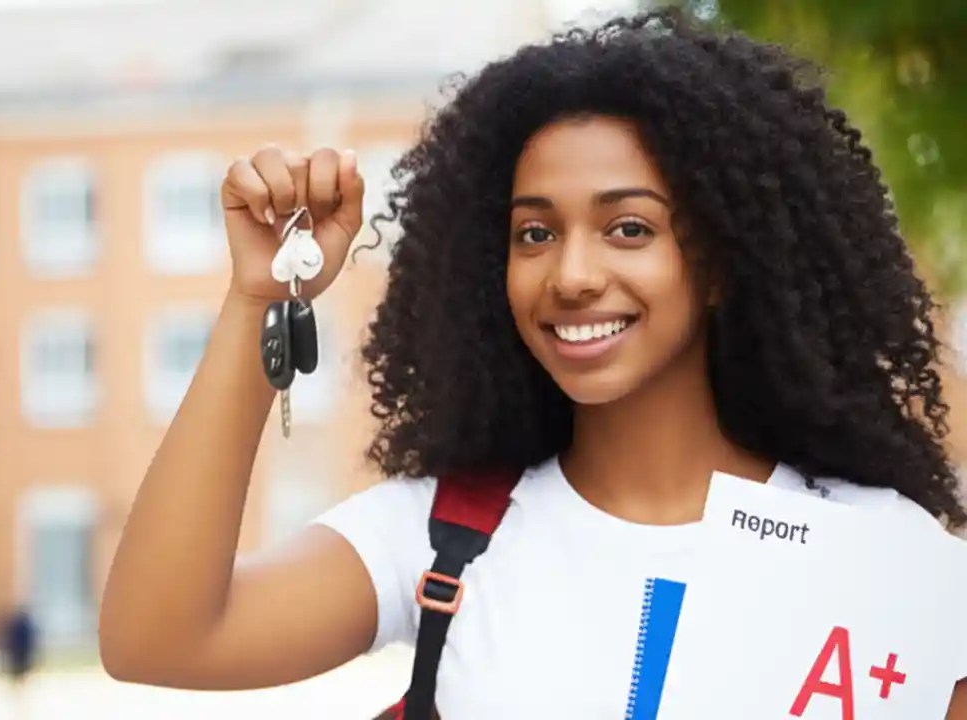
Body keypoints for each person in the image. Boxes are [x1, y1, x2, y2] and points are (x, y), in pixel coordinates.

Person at [98, 8, 967, 717]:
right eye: (535, 233)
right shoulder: (444, 535)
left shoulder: (889, 553)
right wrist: (260, 297)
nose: (573, 276)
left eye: (629, 228)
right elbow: (158, 639)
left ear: (722, 261)